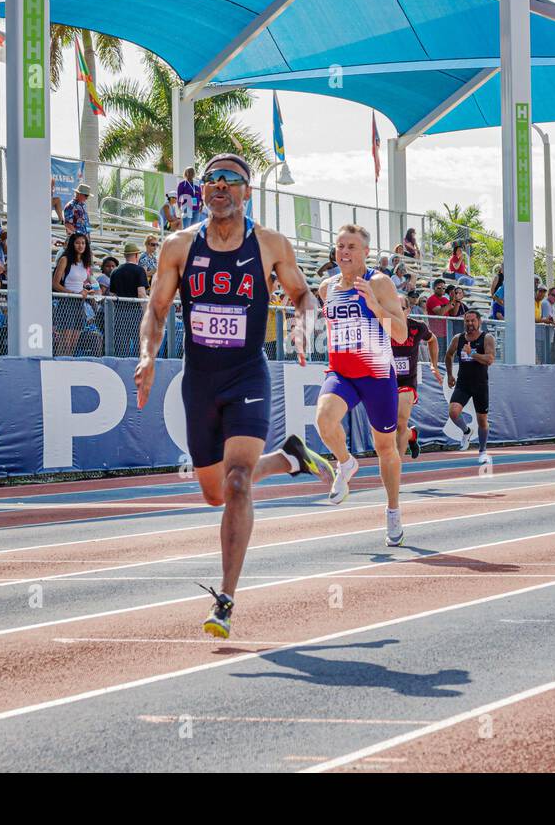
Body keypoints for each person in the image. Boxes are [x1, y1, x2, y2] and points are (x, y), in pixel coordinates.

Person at [134, 152, 333, 639]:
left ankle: (224, 598)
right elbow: (157, 309)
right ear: (203, 190)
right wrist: (147, 356)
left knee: (239, 483)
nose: (220, 186)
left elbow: (303, 294)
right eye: (212, 179)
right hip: (200, 380)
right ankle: (288, 458)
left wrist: (304, 323)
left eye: (231, 179)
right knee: (214, 493)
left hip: (247, 375)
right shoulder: (179, 246)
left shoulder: (270, 244)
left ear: (247, 191)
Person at [315, 223, 408, 545]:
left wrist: (376, 307)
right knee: (324, 420)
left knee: (385, 448)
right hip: (341, 373)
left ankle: (393, 510)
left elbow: (401, 334)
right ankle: (346, 462)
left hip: (376, 375)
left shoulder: (379, 282)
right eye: (340, 246)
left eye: (351, 246)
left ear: (366, 252)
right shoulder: (326, 287)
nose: (344, 252)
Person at [391, 293, 441, 459]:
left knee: (400, 422)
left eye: (401, 308)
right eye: (393, 308)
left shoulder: (417, 327)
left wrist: (434, 365)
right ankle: (411, 435)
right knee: (388, 425)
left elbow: (433, 340)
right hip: (385, 381)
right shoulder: (382, 325)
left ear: (408, 310)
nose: (396, 311)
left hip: (407, 381)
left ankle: (396, 467)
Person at [445, 309, 495, 464]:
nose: (470, 324)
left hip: (480, 384)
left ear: (479, 321)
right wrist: (450, 375)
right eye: (467, 321)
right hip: (463, 383)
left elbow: (490, 359)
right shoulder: (458, 338)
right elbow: (448, 355)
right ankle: (466, 431)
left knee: (482, 420)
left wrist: (472, 353)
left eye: (473, 320)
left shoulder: (487, 338)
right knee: (453, 412)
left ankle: (483, 451)